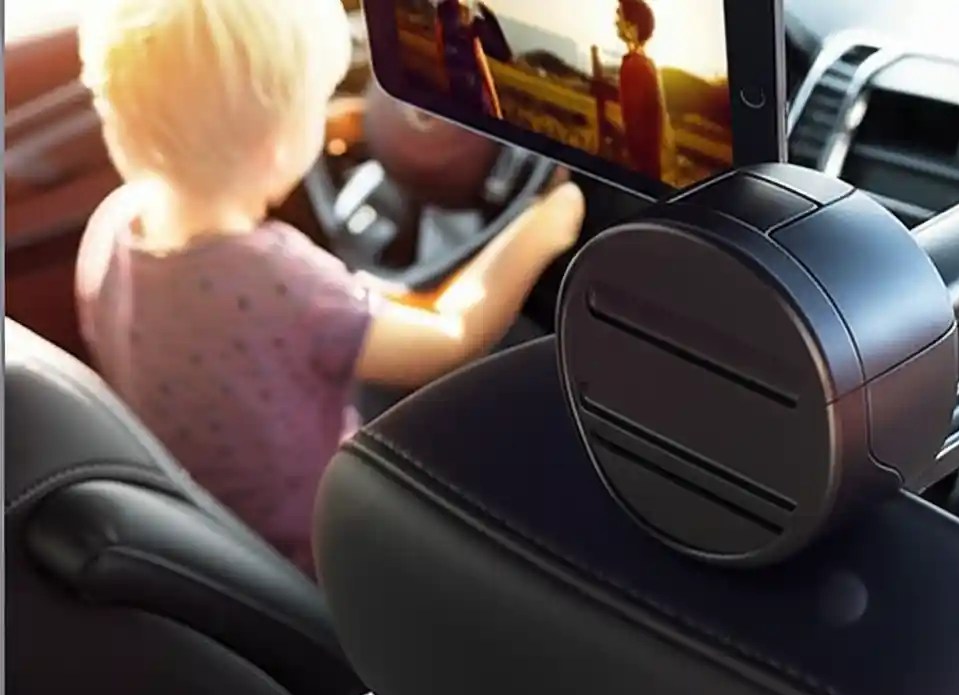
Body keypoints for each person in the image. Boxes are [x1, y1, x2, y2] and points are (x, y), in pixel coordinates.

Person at [75, 0, 585, 577]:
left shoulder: (113, 227)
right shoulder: (279, 281)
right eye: (312, 110)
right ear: (275, 148)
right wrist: (538, 233)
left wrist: (333, 126)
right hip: (316, 549)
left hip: (209, 517)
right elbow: (450, 337)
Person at [615, 0, 674, 182]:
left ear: (632, 26)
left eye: (619, 15)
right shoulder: (647, 64)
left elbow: (635, 127)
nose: (615, 21)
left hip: (641, 171)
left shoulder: (634, 66)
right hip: (649, 169)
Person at [433, 0, 509, 118]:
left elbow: (481, 64)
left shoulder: (459, 14)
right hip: (463, 90)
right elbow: (440, 46)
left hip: (467, 90)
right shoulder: (452, 13)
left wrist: (495, 106)